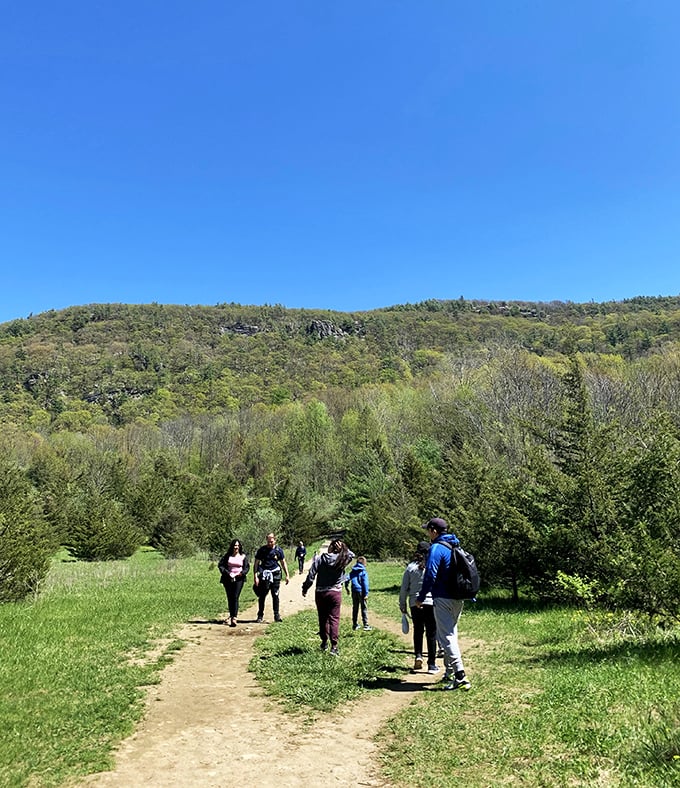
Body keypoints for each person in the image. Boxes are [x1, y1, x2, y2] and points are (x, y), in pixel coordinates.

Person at [416, 517, 471, 691]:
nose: (427, 533)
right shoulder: (455, 546)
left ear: (434, 531)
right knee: (451, 633)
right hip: (458, 597)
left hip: (443, 597)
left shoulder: (436, 548)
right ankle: (449, 672)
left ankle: (460, 675)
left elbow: (430, 574)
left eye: (428, 530)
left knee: (446, 637)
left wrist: (421, 596)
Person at [302, 538, 354, 656]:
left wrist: (305, 588)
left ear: (330, 547)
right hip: (335, 592)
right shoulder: (342, 559)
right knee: (334, 619)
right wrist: (343, 549)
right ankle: (334, 647)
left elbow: (311, 575)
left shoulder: (320, 559)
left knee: (323, 618)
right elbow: (352, 554)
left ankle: (324, 642)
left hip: (321, 592)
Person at [399, 540, 438, 673]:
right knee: (431, 632)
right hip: (431, 602)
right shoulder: (432, 566)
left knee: (418, 630)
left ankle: (418, 655)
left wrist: (402, 604)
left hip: (414, 603)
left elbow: (404, 588)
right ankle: (432, 664)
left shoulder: (410, 568)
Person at [253, 532, 290, 623]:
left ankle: (276, 615)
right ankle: (260, 615)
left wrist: (287, 575)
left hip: (276, 574)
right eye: (268, 541)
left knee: (275, 595)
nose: (270, 543)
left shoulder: (279, 550)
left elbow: (283, 563)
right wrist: (255, 576)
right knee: (262, 595)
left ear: (275, 540)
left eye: (272, 541)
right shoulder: (262, 550)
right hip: (264, 574)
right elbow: (256, 563)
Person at [218, 538, 250, 627]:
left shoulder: (243, 556)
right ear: (232, 546)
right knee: (230, 597)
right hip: (228, 579)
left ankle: (234, 618)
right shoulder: (227, 556)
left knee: (235, 597)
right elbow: (220, 565)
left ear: (239, 547)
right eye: (235, 545)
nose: (236, 547)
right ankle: (231, 615)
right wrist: (228, 573)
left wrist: (241, 573)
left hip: (239, 579)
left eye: (237, 545)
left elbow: (247, 567)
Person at [347, 556, 372, 631]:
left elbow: (347, 578)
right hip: (361, 591)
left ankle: (355, 624)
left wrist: (346, 587)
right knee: (363, 607)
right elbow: (365, 584)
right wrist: (366, 593)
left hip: (354, 590)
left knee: (355, 607)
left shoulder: (353, 571)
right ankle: (366, 625)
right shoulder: (363, 572)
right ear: (364, 563)